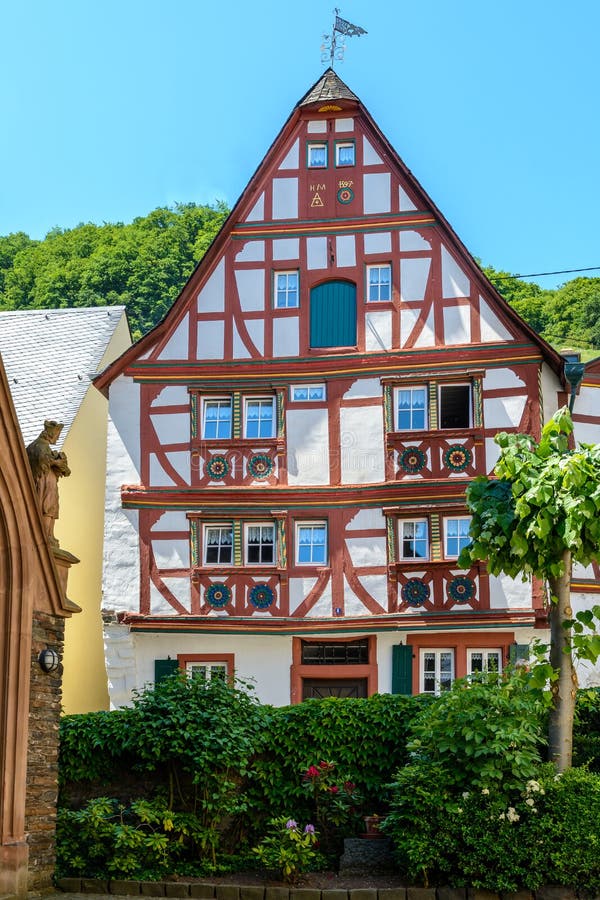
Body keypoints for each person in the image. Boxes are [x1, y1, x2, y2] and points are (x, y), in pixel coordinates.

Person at [26, 420, 71, 547]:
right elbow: (41, 460)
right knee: (47, 507)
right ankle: (44, 535)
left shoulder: (45, 447)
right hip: (44, 484)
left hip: (50, 483)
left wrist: (59, 464)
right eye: (57, 435)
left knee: (52, 508)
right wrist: (55, 462)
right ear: (50, 434)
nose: (57, 439)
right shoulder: (37, 445)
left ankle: (49, 534)